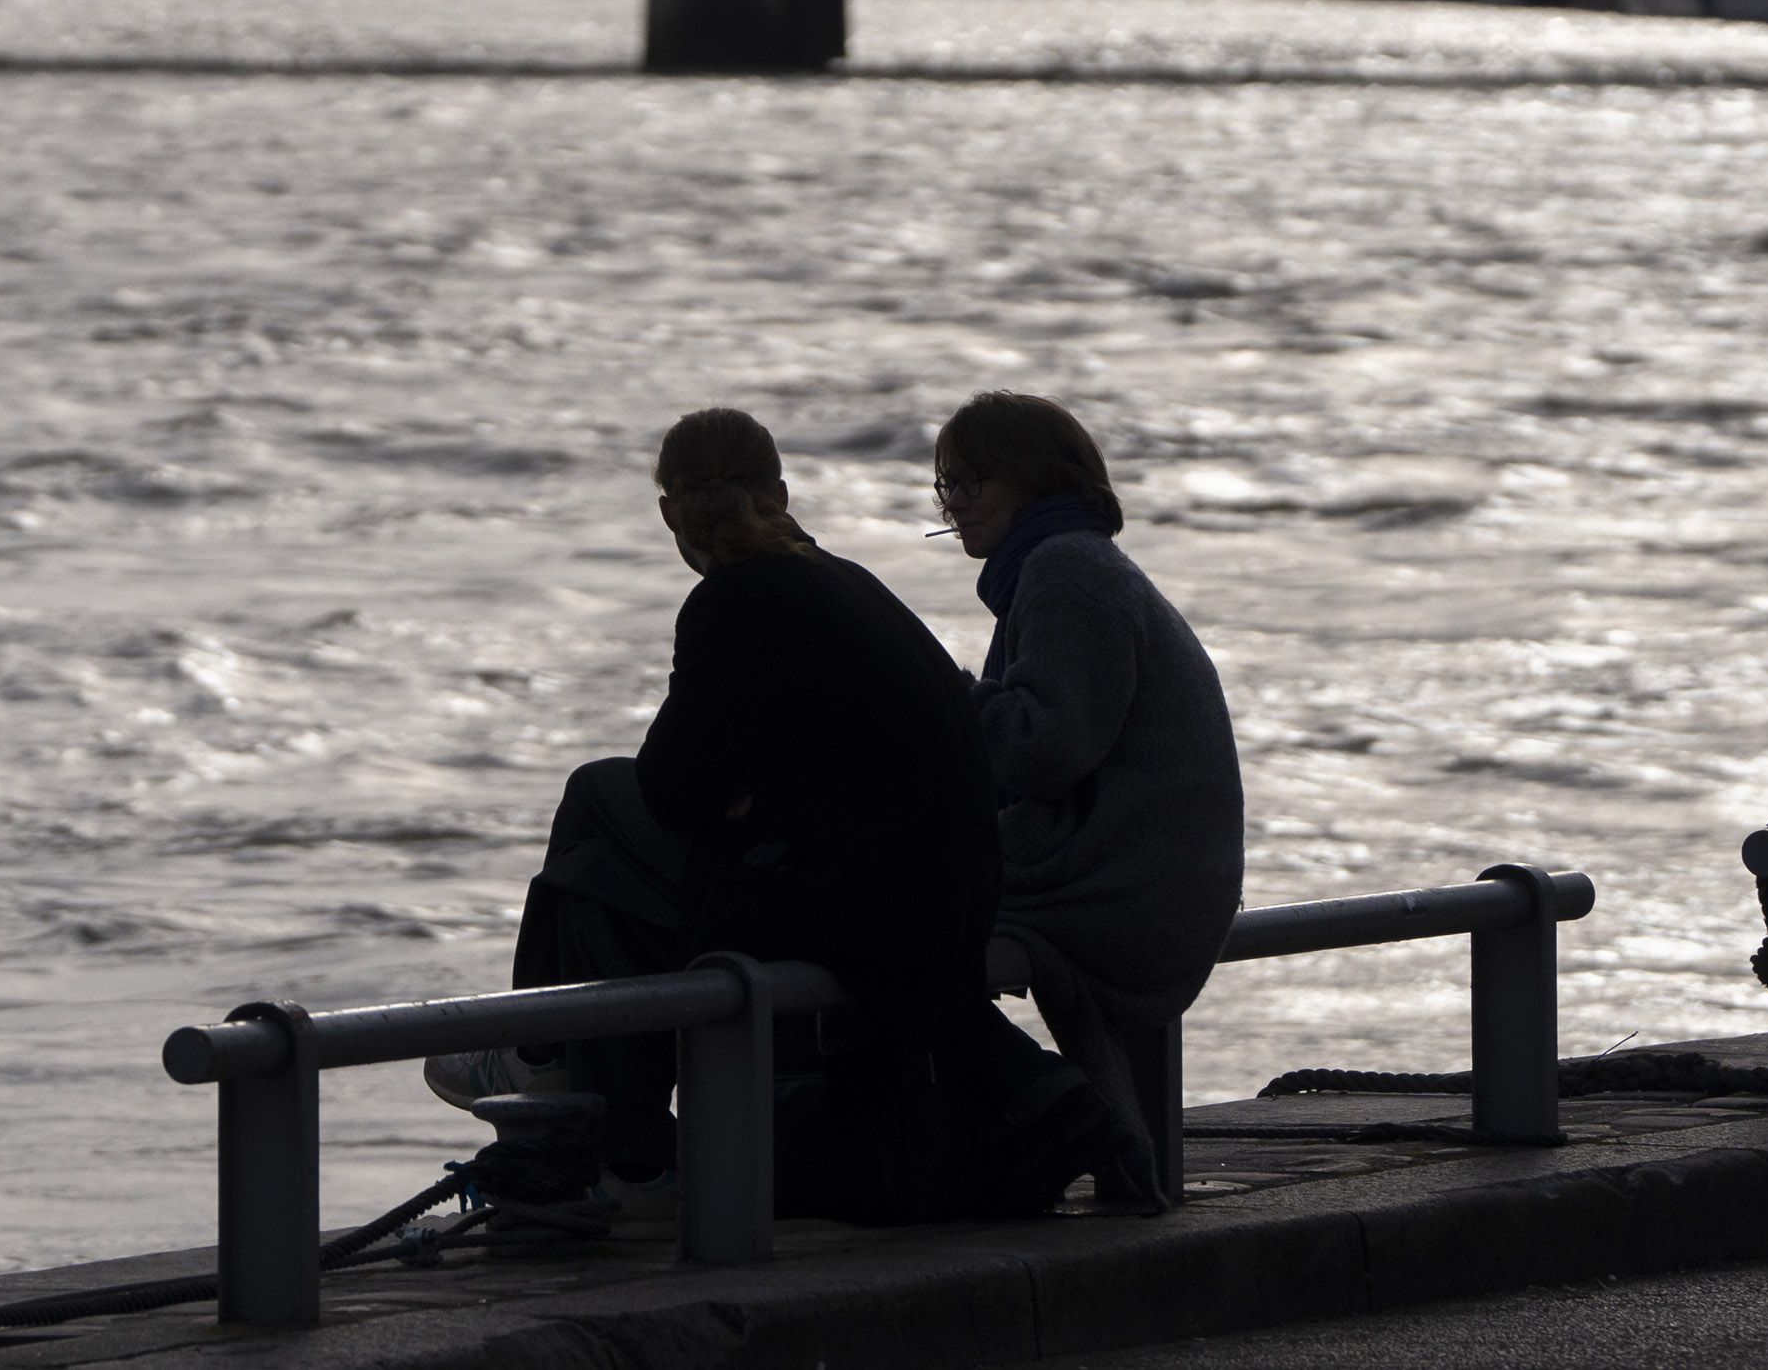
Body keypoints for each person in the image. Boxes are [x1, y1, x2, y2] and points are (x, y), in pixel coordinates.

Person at [434, 408, 1125, 1220]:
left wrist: (737, 792)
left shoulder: (734, 599)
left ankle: (548, 1066)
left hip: (868, 912)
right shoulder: (846, 580)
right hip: (951, 893)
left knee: (595, 797)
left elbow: (669, 789)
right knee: (595, 884)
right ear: (782, 491)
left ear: (669, 511)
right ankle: (606, 1135)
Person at [935, 392, 1242, 1199]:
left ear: (1036, 477)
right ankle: (1074, 1125)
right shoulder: (1071, 564)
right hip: (1145, 869)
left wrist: (944, 697)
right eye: (945, 485)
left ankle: (1035, 1118)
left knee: (877, 908)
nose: (955, 499)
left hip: (1121, 884)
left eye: (973, 477)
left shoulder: (1066, 571)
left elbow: (1043, 750)